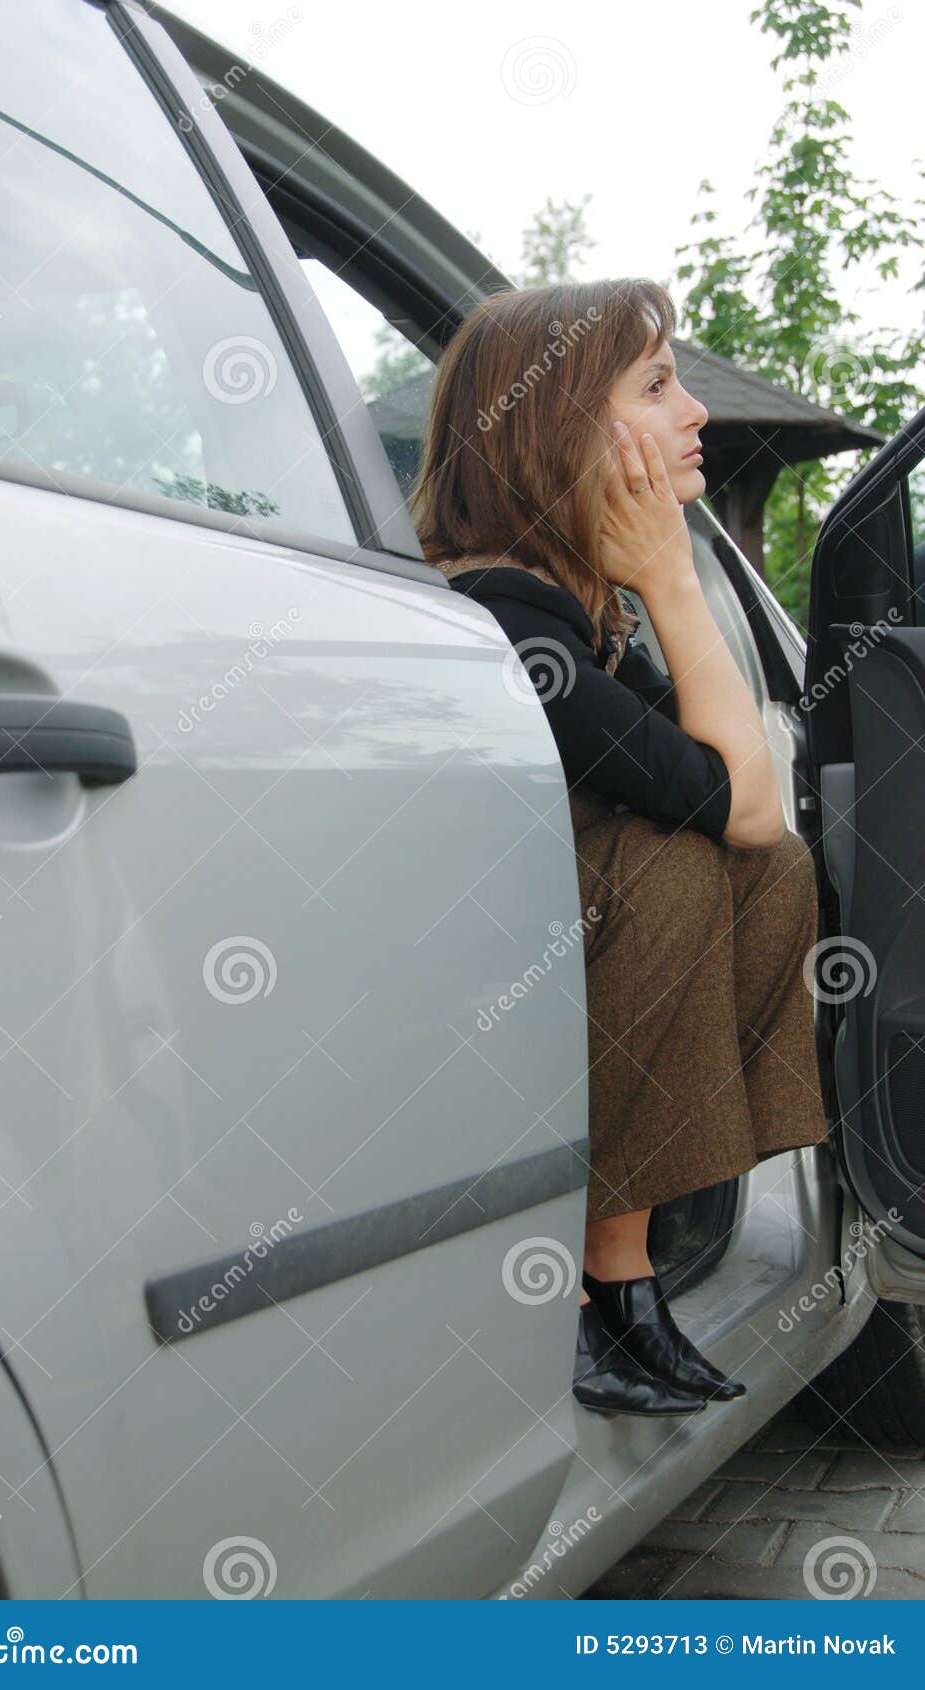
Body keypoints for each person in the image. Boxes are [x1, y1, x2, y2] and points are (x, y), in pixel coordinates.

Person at [408, 278, 830, 1418]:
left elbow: (762, 817)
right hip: (449, 1009)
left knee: (767, 870)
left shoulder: (574, 611)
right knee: (691, 859)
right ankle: (592, 1275)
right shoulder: (506, 615)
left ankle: (625, 1260)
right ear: (557, 429)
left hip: (528, 977)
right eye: (656, 385)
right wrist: (679, 582)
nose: (695, 412)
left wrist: (656, 588)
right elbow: (732, 805)